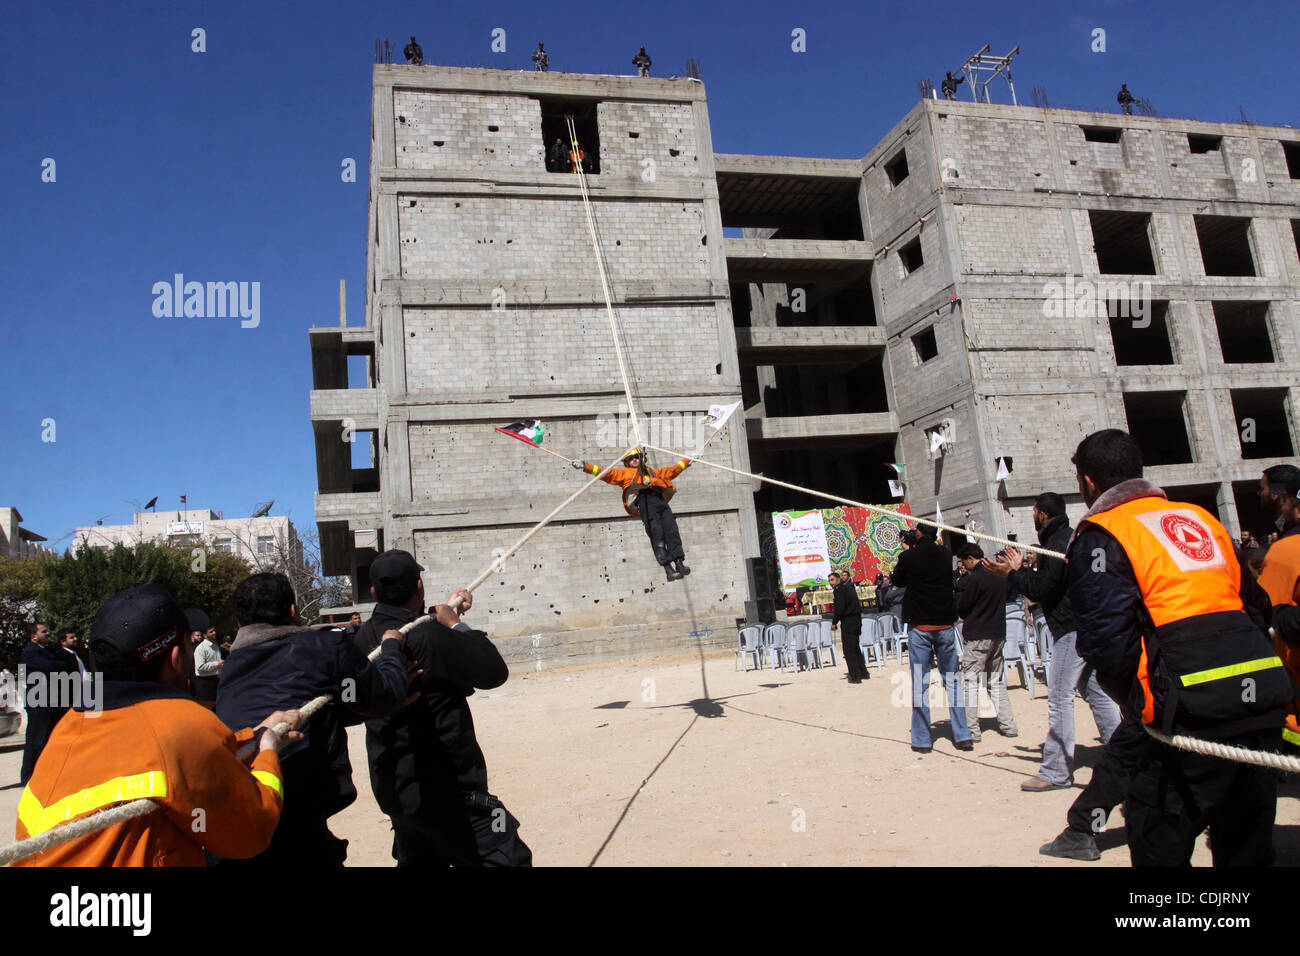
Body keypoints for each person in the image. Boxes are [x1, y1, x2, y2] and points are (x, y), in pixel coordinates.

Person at [1065, 428, 1289, 866]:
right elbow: (1256, 606)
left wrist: (1144, 705)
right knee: (1247, 847)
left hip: (1182, 717)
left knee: (1158, 842)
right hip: (1256, 699)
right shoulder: (1200, 517)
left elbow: (1106, 642)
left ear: (1089, 482)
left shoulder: (1102, 533)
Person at [14, 583, 299, 867]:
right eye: (189, 643)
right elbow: (250, 830)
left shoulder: (72, 724)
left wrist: (256, 735)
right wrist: (269, 754)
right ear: (176, 658)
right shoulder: (179, 725)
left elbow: (178, 761)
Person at [215, 572, 410, 867]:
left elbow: (323, 703)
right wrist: (393, 647)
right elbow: (386, 697)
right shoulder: (325, 646)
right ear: (293, 612)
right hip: (296, 820)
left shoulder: (230, 669)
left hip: (235, 821)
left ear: (239, 623)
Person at [353, 550, 531, 866]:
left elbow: (345, 699)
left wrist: (446, 613)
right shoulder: (431, 636)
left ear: (373, 593)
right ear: (418, 587)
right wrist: (456, 624)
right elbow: (493, 671)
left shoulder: (359, 642)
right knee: (507, 853)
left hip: (399, 798)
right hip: (453, 796)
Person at [987, 492, 1121, 793]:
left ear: (1040, 513)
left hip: (1071, 630)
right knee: (1097, 692)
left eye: (1034, 513)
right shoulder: (1069, 539)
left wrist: (1013, 574)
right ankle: (1127, 756)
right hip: (1086, 626)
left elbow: (1044, 589)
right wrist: (1019, 571)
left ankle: (1056, 771)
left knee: (1060, 696)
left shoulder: (1056, 545)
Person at [891, 525, 971, 753]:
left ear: (917, 535)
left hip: (920, 624)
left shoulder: (908, 556)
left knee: (920, 682)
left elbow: (898, 580)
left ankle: (922, 739)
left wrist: (907, 551)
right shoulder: (945, 554)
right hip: (944, 622)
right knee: (952, 680)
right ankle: (963, 734)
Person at [572, 448, 692, 581]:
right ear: (627, 462)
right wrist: (585, 466)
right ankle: (668, 568)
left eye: (637, 457)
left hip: (660, 500)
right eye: (631, 458)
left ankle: (679, 563)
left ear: (642, 459)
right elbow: (606, 473)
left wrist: (688, 460)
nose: (634, 460)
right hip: (645, 501)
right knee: (657, 533)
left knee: (672, 530)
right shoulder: (625, 474)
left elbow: (672, 471)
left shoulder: (653, 472)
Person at [1256, 463, 1300, 746]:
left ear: (1280, 496)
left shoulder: (1286, 551)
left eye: (1263, 488)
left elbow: (1265, 613)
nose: (1259, 494)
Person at [955, 544, 1017, 742]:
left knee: (970, 682)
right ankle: (1009, 725)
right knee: (996, 682)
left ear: (971, 558)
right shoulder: (999, 576)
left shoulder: (976, 578)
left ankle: (972, 730)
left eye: (964, 561)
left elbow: (963, 608)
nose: (964, 566)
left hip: (978, 636)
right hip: (998, 633)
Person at [19, 622, 79, 785]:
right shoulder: (30, 652)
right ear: (34, 636)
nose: (47, 634)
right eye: (43, 632)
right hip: (38, 703)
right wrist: (60, 664)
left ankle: (45, 774)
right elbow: (52, 667)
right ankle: (28, 777)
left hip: (50, 701)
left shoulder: (47, 651)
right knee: (35, 740)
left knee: (47, 739)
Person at [829, 571, 868, 683]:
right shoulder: (849, 588)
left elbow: (840, 608)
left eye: (832, 580)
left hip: (849, 621)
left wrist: (834, 622)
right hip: (856, 620)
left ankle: (855, 676)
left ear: (838, 579)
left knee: (849, 649)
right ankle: (863, 672)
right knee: (855, 648)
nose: (831, 583)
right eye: (830, 580)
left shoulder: (840, 590)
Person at [192, 625, 223, 705]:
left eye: (214, 631)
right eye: (211, 632)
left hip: (216, 682)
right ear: (205, 635)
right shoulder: (201, 648)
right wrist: (217, 664)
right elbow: (200, 667)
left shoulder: (216, 646)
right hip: (205, 684)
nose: (214, 633)